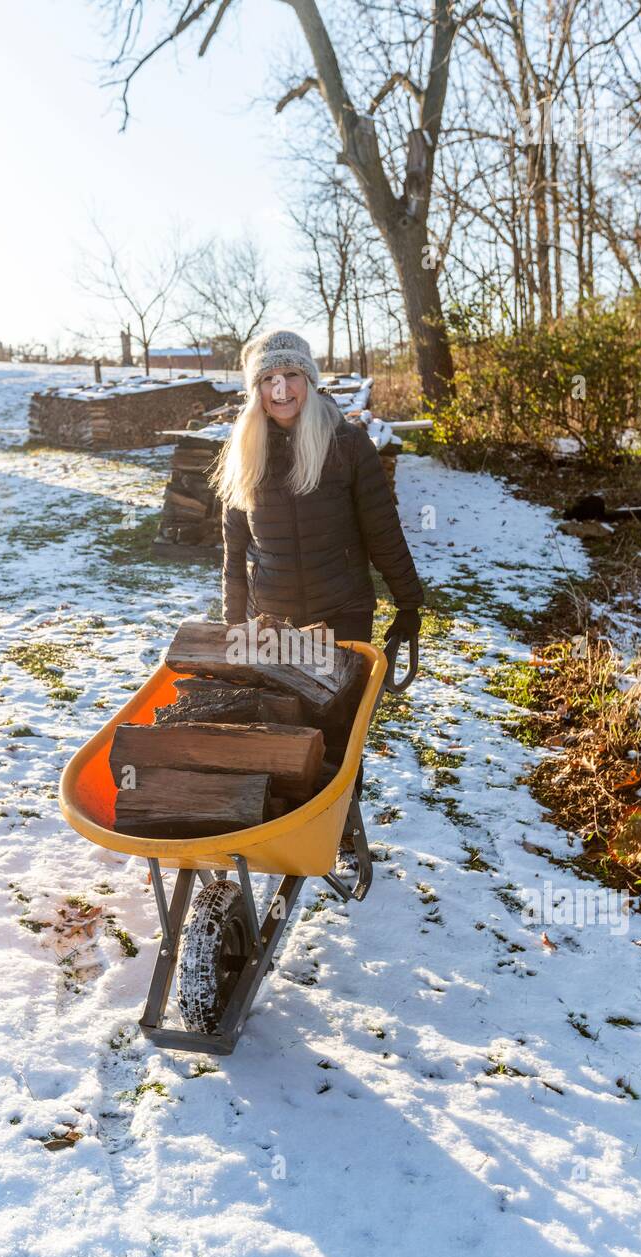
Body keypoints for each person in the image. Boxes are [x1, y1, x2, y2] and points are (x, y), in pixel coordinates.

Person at [213, 328, 423, 864]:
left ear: (309, 379)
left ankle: (342, 830)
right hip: (275, 619)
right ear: (256, 389)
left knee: (338, 728)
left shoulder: (346, 444)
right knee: (282, 722)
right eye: (268, 380)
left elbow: (382, 530)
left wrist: (409, 603)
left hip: (341, 612)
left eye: (291, 377)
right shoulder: (246, 448)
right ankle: (283, 828)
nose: (280, 390)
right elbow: (234, 551)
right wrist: (232, 624)